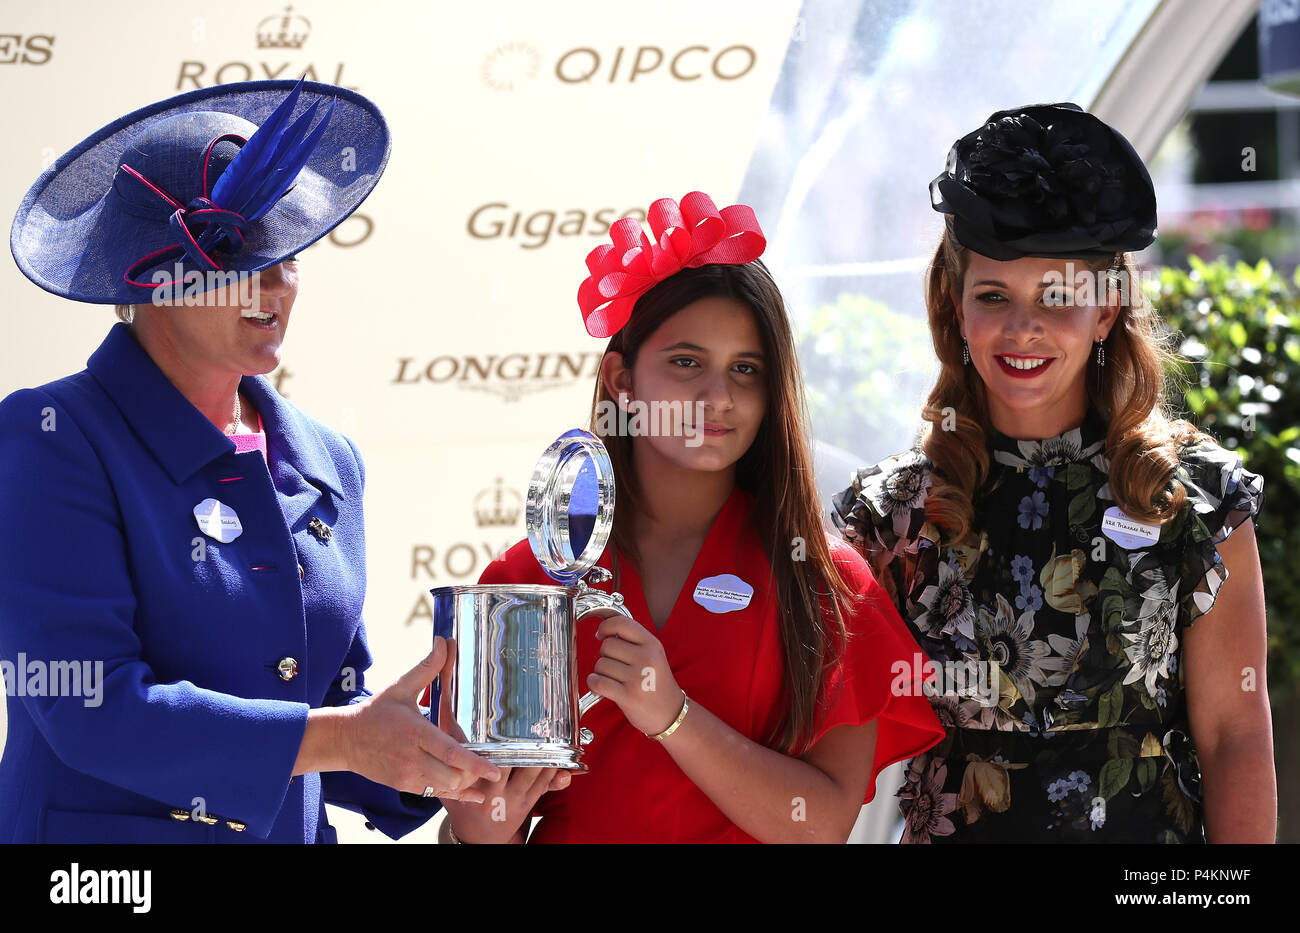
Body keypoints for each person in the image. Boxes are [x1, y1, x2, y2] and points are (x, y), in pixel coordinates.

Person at [0, 78, 502, 843]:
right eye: (241, 255)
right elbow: (92, 709)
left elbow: (330, 709)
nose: (276, 284)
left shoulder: (329, 459)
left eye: (290, 252)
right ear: (151, 278)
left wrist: (454, 762)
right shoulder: (52, 437)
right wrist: (346, 735)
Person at [434, 192, 945, 843]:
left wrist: (673, 715)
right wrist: (480, 827)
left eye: (746, 369)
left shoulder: (826, 580)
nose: (718, 397)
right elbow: (480, 821)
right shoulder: (525, 577)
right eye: (686, 362)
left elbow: (820, 824)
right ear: (621, 379)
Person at [830, 103, 1276, 843]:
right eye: (994, 296)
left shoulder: (1196, 499)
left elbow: (1237, 734)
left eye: (1057, 297)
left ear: (1106, 312)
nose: (1022, 328)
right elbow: (815, 739)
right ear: (956, 306)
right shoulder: (891, 514)